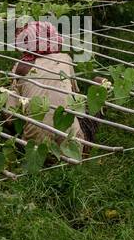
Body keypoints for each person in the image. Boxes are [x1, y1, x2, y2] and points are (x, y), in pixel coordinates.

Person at [6, 20, 107, 157]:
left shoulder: (19, 67)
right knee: (98, 84)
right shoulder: (65, 58)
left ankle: (30, 146)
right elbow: (74, 100)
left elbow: (10, 117)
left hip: (35, 151)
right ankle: (81, 145)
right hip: (73, 149)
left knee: (6, 96)